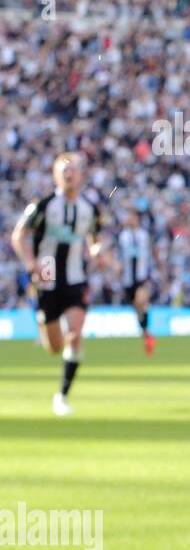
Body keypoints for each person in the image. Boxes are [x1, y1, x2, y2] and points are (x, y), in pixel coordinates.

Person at [8, 152, 105, 415]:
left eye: (73, 170)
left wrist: (97, 251)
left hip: (75, 278)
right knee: (54, 347)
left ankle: (61, 396)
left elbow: (95, 239)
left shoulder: (89, 209)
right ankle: (49, 324)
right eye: (64, 171)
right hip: (47, 275)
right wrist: (31, 264)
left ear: (80, 175)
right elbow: (19, 236)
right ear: (55, 176)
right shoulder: (43, 206)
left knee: (75, 335)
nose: (69, 175)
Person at [118, 206, 156, 355]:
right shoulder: (123, 236)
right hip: (128, 279)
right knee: (137, 308)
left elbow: (150, 253)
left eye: (133, 217)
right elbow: (120, 255)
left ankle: (147, 332)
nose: (131, 219)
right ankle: (146, 335)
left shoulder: (144, 235)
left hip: (141, 276)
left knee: (141, 302)